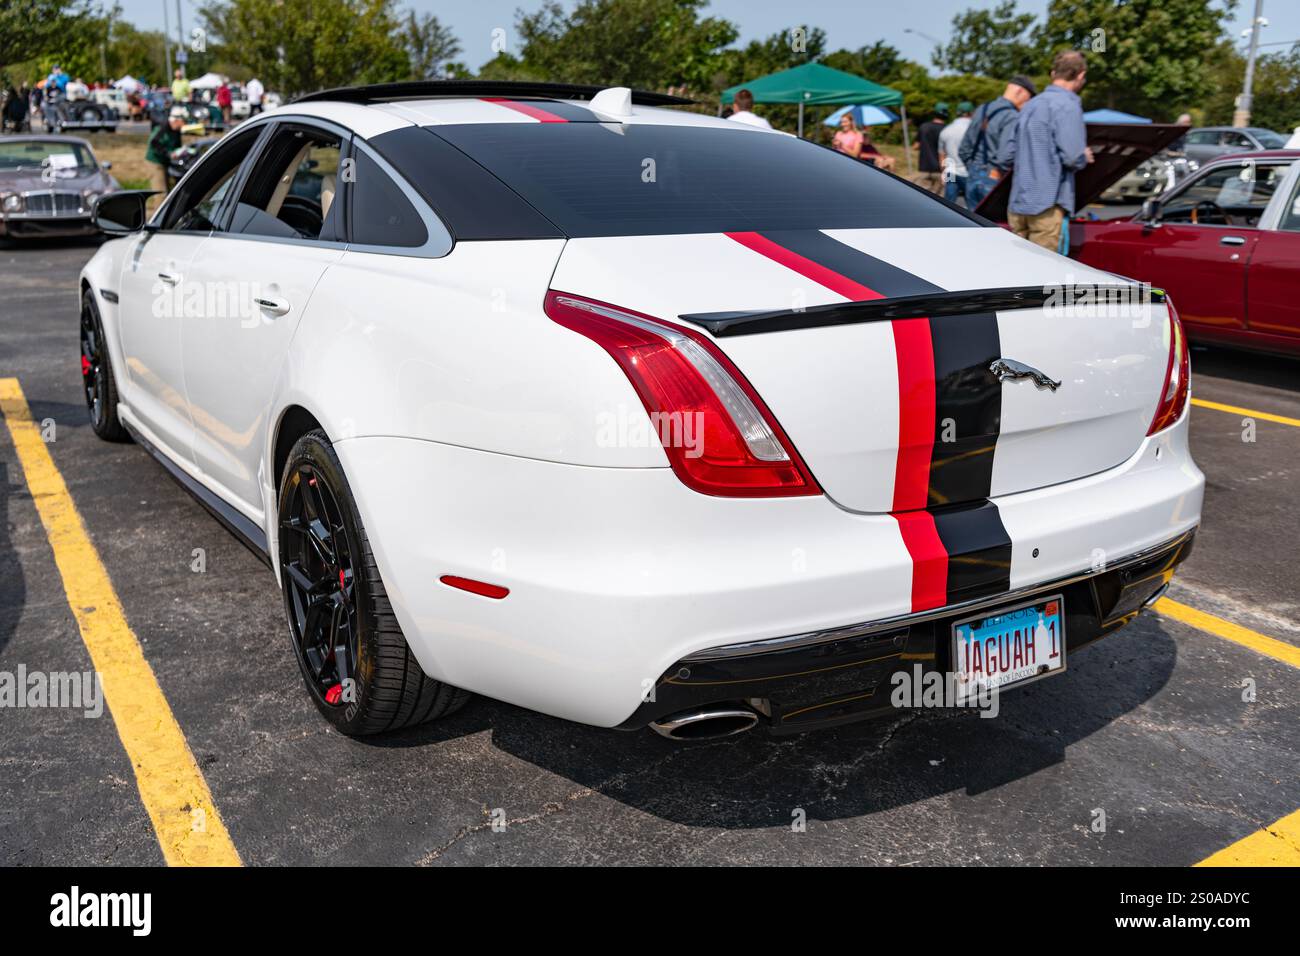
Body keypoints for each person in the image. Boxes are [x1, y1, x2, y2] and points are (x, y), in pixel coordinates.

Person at [1006, 50, 1093, 253]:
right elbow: (1072, 157)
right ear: (1080, 75)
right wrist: (1084, 156)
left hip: (1018, 202)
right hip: (1047, 204)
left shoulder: (1029, 105)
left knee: (1017, 271)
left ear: (1054, 73)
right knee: (1042, 273)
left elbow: (1007, 153)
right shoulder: (1068, 105)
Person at [958, 75, 1036, 208]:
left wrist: (973, 168)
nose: (1027, 103)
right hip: (993, 179)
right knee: (996, 227)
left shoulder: (982, 109)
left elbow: (963, 149)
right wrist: (996, 173)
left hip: (972, 176)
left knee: (975, 225)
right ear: (1019, 91)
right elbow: (1005, 157)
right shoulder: (1012, 116)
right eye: (1028, 98)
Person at [146, 107, 186, 203]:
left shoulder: (177, 130)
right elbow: (154, 144)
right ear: (176, 120)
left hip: (166, 162)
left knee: (169, 193)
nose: (184, 124)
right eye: (183, 121)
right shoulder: (163, 127)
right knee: (161, 195)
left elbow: (177, 146)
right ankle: (159, 216)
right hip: (155, 162)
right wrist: (168, 153)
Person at [939, 101, 973, 204]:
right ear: (970, 113)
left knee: (949, 203)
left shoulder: (946, 130)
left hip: (950, 171)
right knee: (972, 205)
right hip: (968, 172)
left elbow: (942, 155)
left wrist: (943, 172)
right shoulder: (973, 129)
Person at [915, 103, 947, 194]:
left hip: (924, 168)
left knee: (920, 197)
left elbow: (916, 146)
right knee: (939, 200)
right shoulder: (947, 129)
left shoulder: (924, 126)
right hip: (940, 169)